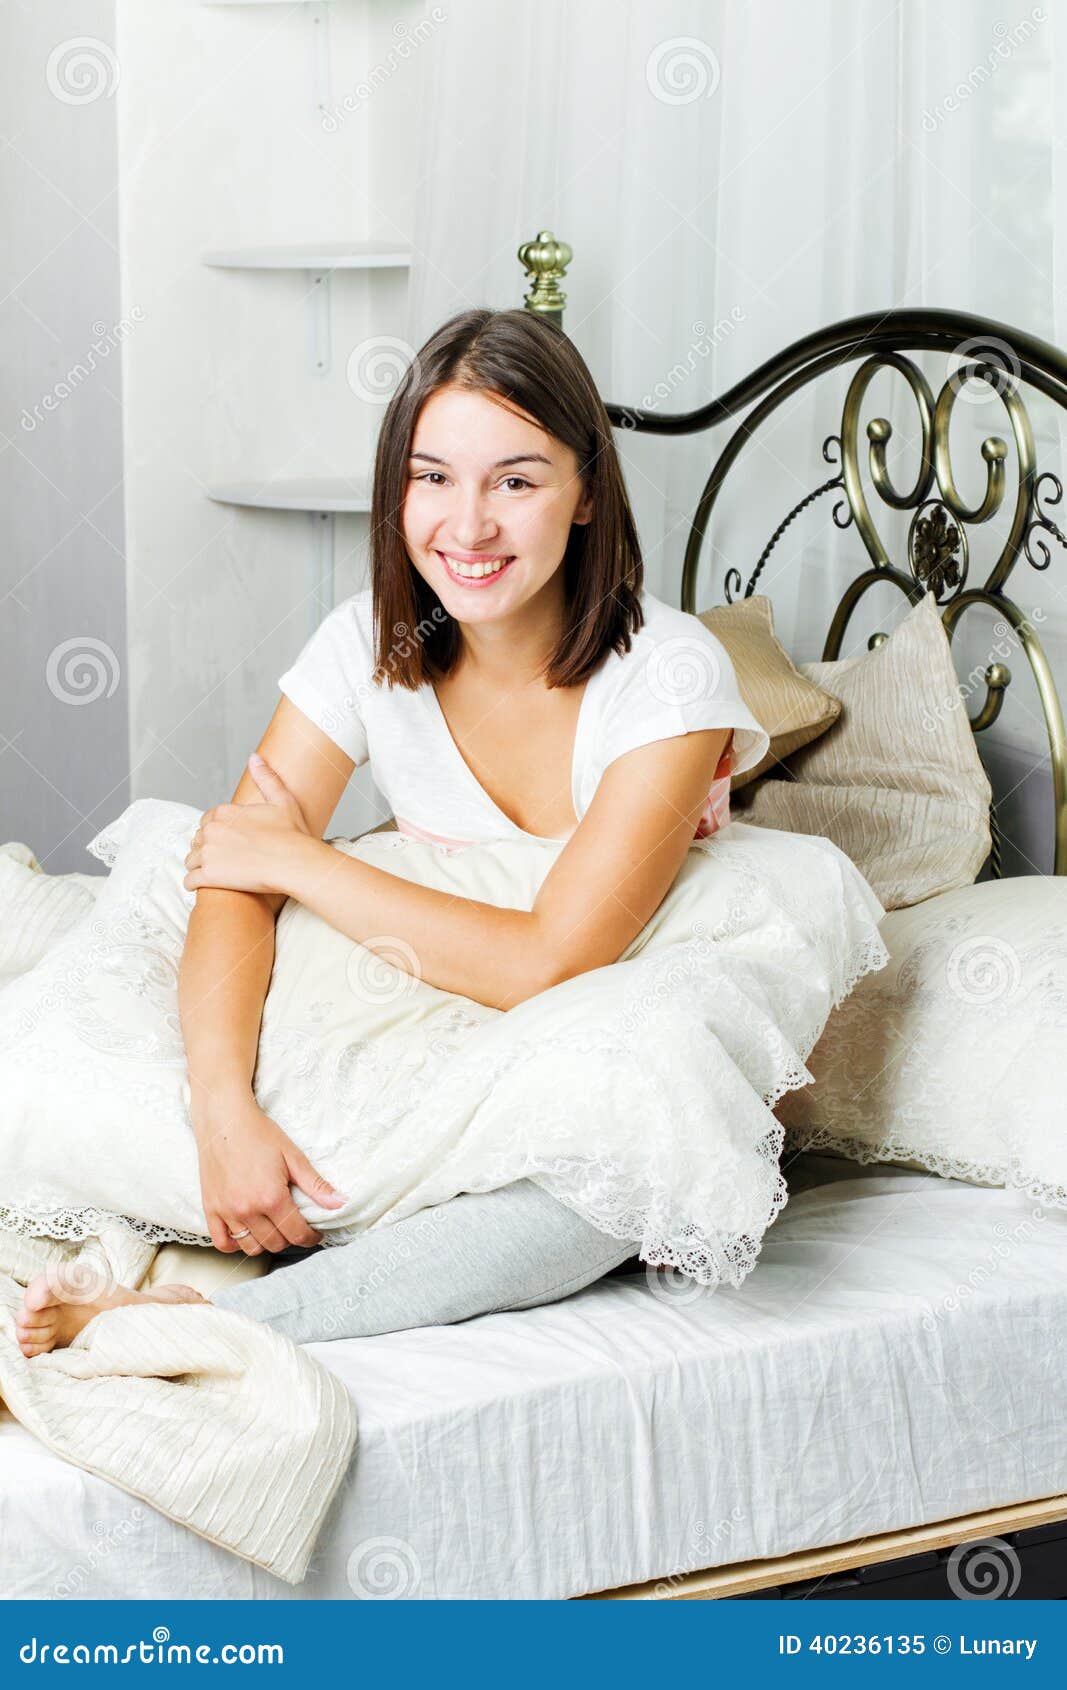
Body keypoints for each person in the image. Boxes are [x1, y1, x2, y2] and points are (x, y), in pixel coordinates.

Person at [16, 306, 768, 1358]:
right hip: (416, 997)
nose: (467, 528)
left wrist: (302, 858)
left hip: (583, 1002)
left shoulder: (669, 674)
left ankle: (223, 1324)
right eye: (432, 478)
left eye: (515, 479)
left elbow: (552, 958)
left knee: (632, 1171)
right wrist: (221, 1109)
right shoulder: (368, 643)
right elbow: (234, 876)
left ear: (587, 490)